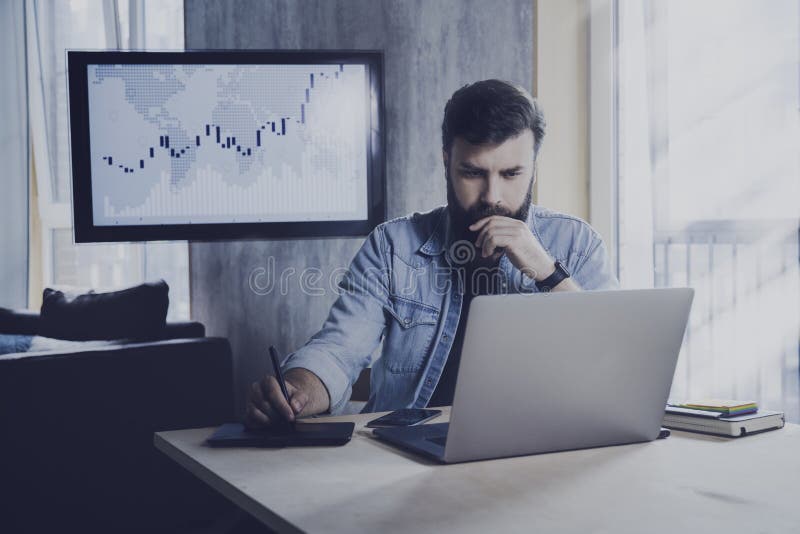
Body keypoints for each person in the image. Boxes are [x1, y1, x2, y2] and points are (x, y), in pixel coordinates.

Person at [246, 79, 618, 428]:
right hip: (406, 453)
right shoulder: (393, 246)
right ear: (446, 161)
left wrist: (546, 270)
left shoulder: (577, 244)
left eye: (511, 174)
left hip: (540, 449)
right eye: (472, 173)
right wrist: (296, 391)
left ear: (534, 166)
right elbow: (339, 351)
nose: (492, 196)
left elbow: (612, 366)